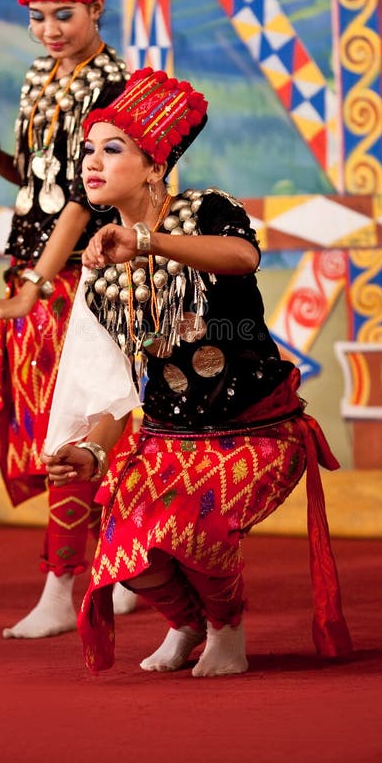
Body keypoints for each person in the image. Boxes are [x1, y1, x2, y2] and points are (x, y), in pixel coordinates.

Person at [43, 67, 353, 676]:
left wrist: (148, 241)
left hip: (257, 431)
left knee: (185, 521)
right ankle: (186, 627)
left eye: (113, 149)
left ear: (154, 165)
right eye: (88, 150)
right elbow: (113, 392)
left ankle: (227, 630)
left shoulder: (207, 209)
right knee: (125, 533)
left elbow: (242, 257)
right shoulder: (100, 268)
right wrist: (91, 455)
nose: (92, 162)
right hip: (168, 440)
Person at [0, 0, 135, 638]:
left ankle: (69, 584)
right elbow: (36, 178)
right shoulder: (40, 77)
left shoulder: (111, 84)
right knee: (53, 425)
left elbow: (83, 195)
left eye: (64, 14)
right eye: (37, 16)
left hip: (86, 276)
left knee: (79, 425)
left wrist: (33, 284)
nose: (50, 29)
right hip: (38, 268)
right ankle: (112, 569)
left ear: (96, 9)